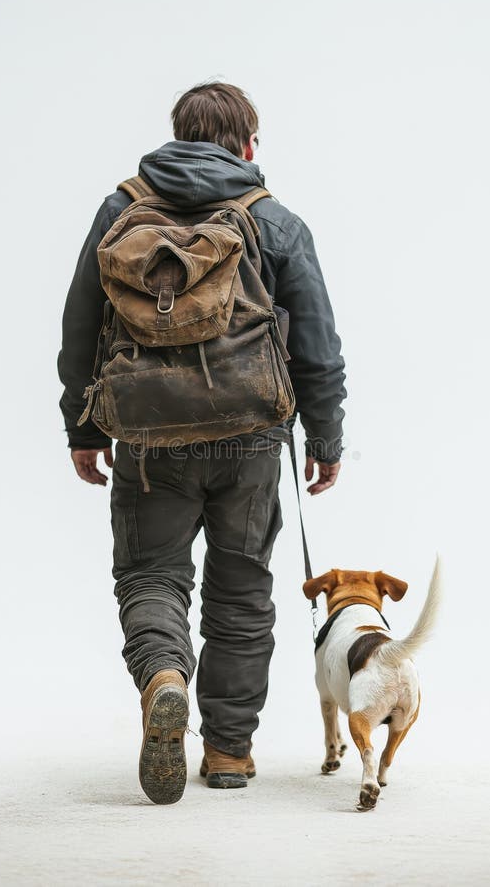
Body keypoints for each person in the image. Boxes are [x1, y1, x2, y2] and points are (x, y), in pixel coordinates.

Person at [57, 82, 346, 804]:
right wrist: (326, 437)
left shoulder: (121, 211)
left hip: (150, 437)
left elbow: (80, 327)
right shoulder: (272, 220)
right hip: (251, 438)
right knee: (242, 591)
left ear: (179, 136)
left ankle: (164, 677)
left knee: (152, 576)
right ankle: (227, 752)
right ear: (249, 146)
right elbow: (315, 346)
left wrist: (83, 426)